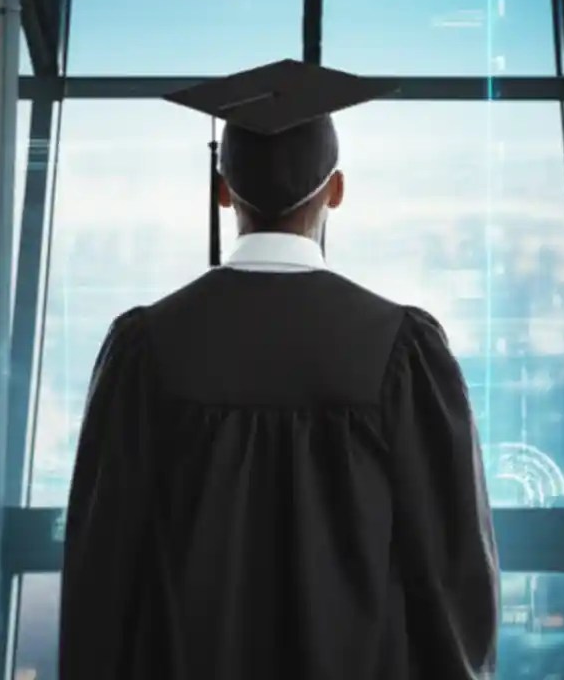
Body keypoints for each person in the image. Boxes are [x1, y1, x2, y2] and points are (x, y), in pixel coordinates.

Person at [60, 59, 498, 680]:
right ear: (336, 191)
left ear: (221, 190)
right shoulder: (403, 350)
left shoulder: (144, 348)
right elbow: (452, 577)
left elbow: (101, 576)